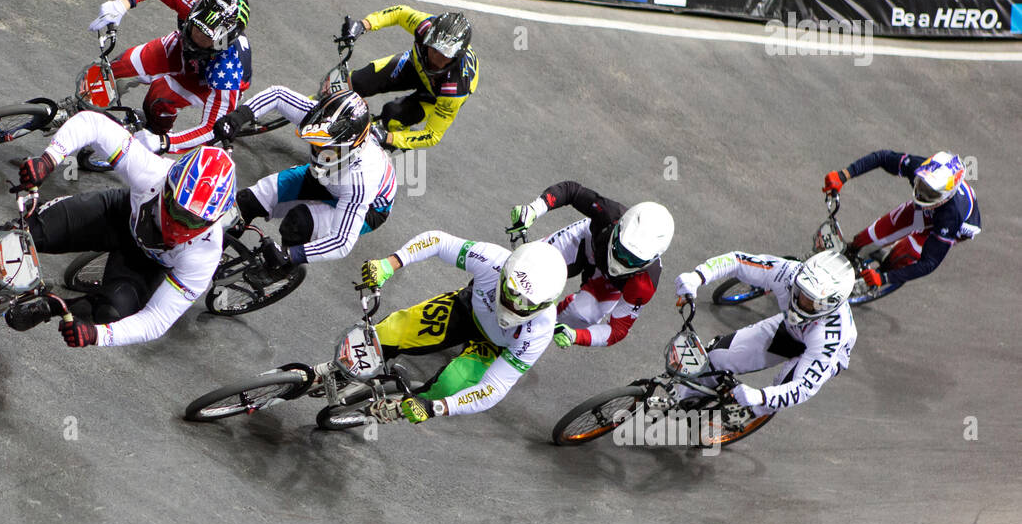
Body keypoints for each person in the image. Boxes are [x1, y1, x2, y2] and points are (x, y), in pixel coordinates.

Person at [0, 112, 237, 348]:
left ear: (211, 222)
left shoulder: (204, 255)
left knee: (111, 313)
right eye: (176, 207)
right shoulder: (152, 171)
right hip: (118, 215)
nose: (180, 222)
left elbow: (156, 320)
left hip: (146, 265)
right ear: (168, 184)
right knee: (20, 233)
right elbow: (93, 125)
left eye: (192, 221)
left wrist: (96, 335)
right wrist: (49, 159)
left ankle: (50, 307)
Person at [352, 235, 567, 423]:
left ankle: (395, 409)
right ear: (503, 273)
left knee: (447, 387)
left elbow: (494, 387)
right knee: (388, 333)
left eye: (525, 304)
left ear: (545, 304)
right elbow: (439, 242)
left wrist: (438, 408)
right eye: (510, 294)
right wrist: (390, 264)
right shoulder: (493, 260)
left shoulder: (541, 331)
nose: (513, 306)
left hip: (492, 346)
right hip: (466, 310)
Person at [212, 87, 396, 278]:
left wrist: (291, 255)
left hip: (368, 207)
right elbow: (278, 96)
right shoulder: (322, 122)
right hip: (325, 177)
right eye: (317, 144)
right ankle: (208, 253)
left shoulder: (362, 179)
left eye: (327, 148)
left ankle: (277, 273)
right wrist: (237, 118)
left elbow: (341, 241)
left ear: (350, 148)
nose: (318, 151)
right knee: (246, 202)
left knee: (298, 223)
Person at [673, 250, 857, 415]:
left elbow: (803, 387)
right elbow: (737, 261)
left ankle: (748, 416)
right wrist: (698, 276)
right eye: (801, 292)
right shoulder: (789, 273)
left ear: (831, 305)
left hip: (825, 352)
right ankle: (681, 403)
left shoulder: (832, 335)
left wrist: (760, 396)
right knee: (717, 357)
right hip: (791, 328)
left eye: (814, 303)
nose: (803, 302)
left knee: (777, 391)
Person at [89, 0, 251, 154]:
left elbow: (211, 130)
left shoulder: (228, 70)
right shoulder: (193, 0)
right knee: (113, 70)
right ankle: (76, 107)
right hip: (180, 47)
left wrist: (164, 142)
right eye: (197, 27)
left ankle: (156, 131)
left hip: (207, 79)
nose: (197, 38)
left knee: (160, 98)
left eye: (208, 38)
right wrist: (121, 4)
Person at [507, 182, 673, 350]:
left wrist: (575, 335)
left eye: (633, 260)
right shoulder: (609, 214)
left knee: (580, 316)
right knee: (528, 269)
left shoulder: (645, 283)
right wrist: (534, 209)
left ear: (650, 260)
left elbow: (617, 330)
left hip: (607, 283)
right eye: (621, 250)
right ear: (618, 229)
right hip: (587, 242)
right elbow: (571, 191)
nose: (622, 262)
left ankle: (520, 342)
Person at [822, 151, 981, 289]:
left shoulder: (951, 216)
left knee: (907, 252)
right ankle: (857, 250)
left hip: (949, 225)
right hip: (931, 211)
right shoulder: (920, 168)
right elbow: (883, 157)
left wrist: (885, 278)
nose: (922, 194)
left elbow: (929, 263)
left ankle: (882, 272)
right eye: (922, 185)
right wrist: (844, 175)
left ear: (947, 196)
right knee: (869, 236)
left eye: (930, 193)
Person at [337, 7, 477, 151]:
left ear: (456, 57)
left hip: (436, 93)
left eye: (444, 55)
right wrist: (363, 24)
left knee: (393, 118)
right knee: (354, 83)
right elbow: (400, 13)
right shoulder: (425, 28)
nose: (435, 60)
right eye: (434, 49)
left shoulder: (454, 90)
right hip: (415, 66)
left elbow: (432, 135)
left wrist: (387, 137)